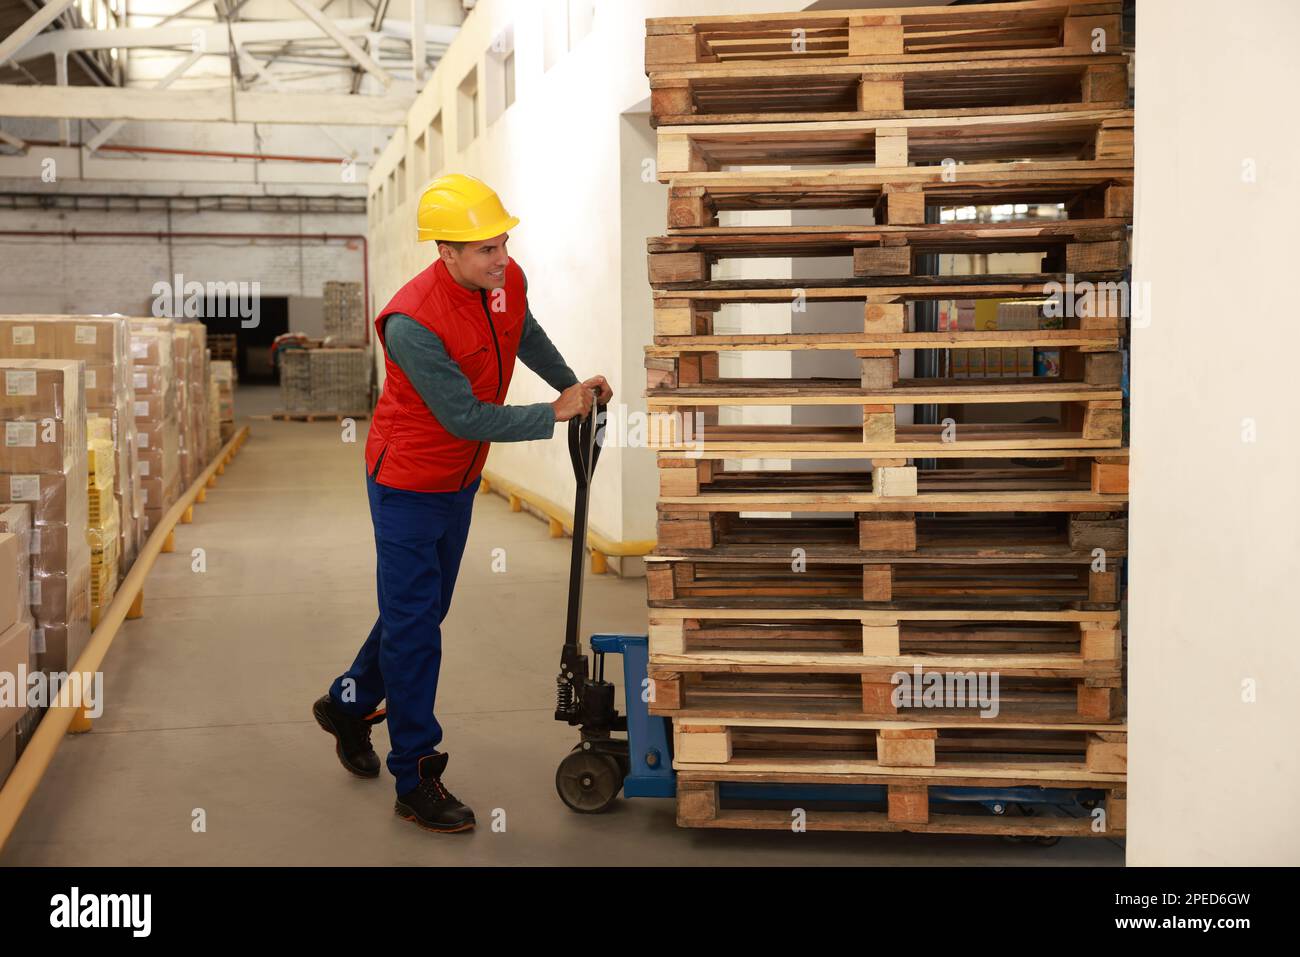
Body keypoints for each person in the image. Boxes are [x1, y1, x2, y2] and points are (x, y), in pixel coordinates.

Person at [312, 173, 613, 833]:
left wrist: (572, 385)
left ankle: (349, 701)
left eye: (503, 240)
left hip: (459, 477)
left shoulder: (502, 279)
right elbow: (463, 415)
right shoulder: (411, 321)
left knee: (420, 607)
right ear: (446, 251)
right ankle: (415, 773)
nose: (500, 255)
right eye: (484, 248)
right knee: (417, 629)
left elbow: (522, 331)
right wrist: (553, 411)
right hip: (408, 481)